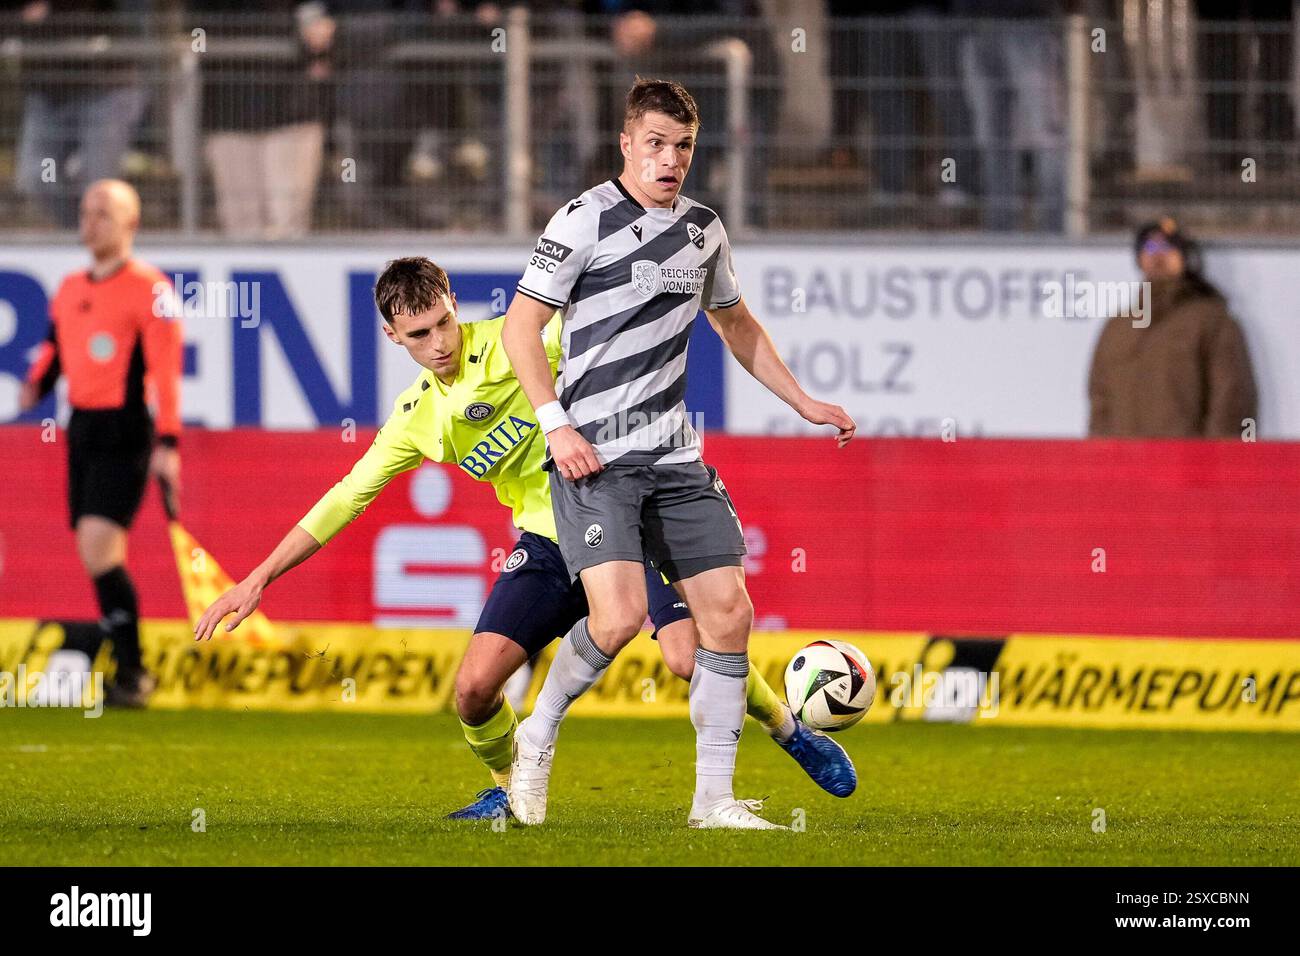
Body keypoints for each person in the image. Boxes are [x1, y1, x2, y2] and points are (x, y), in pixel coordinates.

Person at [193, 257, 855, 820]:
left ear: (455, 305)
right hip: (547, 539)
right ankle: (511, 789)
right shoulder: (417, 420)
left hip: (620, 517)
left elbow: (614, 337)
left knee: (689, 658)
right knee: (473, 691)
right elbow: (345, 497)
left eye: (445, 322)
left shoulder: (523, 340)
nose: (440, 343)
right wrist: (256, 580)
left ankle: (788, 730)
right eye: (420, 334)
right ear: (394, 336)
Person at [501, 77, 857, 830]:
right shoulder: (583, 220)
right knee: (620, 619)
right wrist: (554, 424)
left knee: (729, 614)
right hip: (593, 458)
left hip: (675, 459)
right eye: (656, 144)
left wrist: (803, 402)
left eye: (684, 146)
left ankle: (713, 800)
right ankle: (537, 733)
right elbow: (519, 329)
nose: (671, 160)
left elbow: (738, 327)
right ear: (627, 144)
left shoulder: (705, 230)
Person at [19, 179, 183, 706]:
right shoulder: (70, 287)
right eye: (86, 213)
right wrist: (34, 386)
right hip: (82, 428)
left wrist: (170, 442)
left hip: (124, 427)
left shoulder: (149, 289)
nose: (90, 223)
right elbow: (54, 350)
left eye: (103, 215)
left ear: (130, 224)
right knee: (97, 551)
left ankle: (134, 670)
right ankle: (131, 671)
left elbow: (166, 371)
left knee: (97, 546)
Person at [1088, 218, 1258, 438]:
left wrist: (1215, 463)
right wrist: (1102, 460)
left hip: (1186, 467)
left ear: (1185, 257)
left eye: (1168, 246)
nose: (1158, 255)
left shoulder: (1211, 321)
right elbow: (1099, 402)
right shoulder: (1118, 327)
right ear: (1139, 258)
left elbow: (1232, 400)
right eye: (1149, 247)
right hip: (1126, 467)